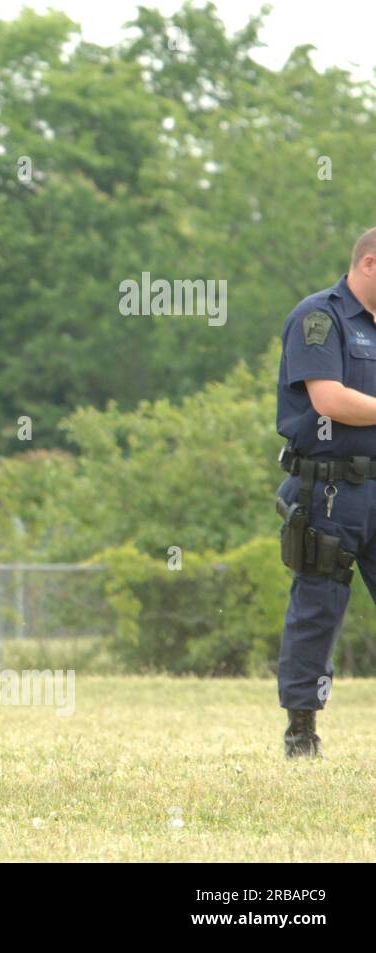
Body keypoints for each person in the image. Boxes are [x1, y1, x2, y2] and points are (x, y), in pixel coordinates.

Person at [275, 226, 376, 757]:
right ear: (369, 265)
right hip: (329, 492)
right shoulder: (321, 317)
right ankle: (302, 731)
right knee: (317, 610)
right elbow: (329, 400)